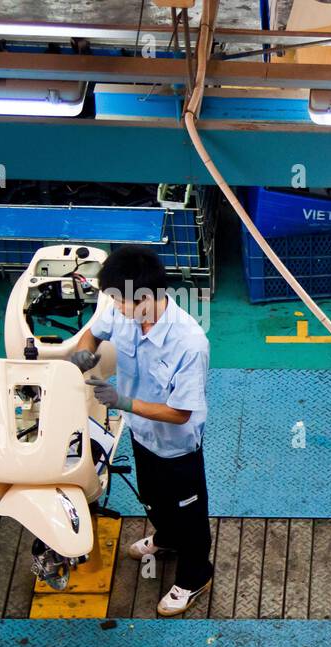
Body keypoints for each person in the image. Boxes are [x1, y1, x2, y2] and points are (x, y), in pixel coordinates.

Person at [70, 245, 213, 616]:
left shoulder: (189, 343)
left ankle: (195, 574)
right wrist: (84, 352)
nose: (115, 309)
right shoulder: (119, 306)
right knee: (151, 495)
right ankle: (166, 538)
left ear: (148, 297)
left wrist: (122, 402)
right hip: (139, 433)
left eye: (121, 303)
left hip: (177, 445)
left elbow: (181, 413)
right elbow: (92, 333)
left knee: (189, 513)